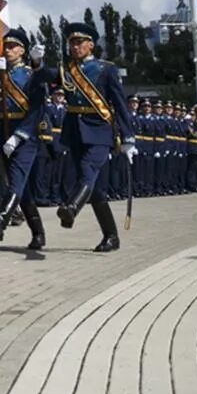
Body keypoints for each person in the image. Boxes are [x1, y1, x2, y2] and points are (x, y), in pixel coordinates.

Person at [50, 22, 136, 251]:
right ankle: (111, 236)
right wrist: (36, 63)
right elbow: (44, 79)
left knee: (88, 169)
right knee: (94, 187)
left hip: (99, 131)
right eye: (71, 42)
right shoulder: (67, 69)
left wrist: (128, 137)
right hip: (75, 131)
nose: (74, 46)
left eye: (79, 42)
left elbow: (120, 104)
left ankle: (71, 207)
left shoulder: (106, 69)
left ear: (91, 45)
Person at [0, 29, 51, 251]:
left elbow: (38, 107)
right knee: (22, 188)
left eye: (13, 46)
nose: (8, 50)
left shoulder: (31, 74)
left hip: (26, 134)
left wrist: (19, 135)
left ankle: (1, 220)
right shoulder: (0, 74)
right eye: (6, 46)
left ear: (22, 50)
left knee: (16, 180)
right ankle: (38, 233)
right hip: (3, 131)